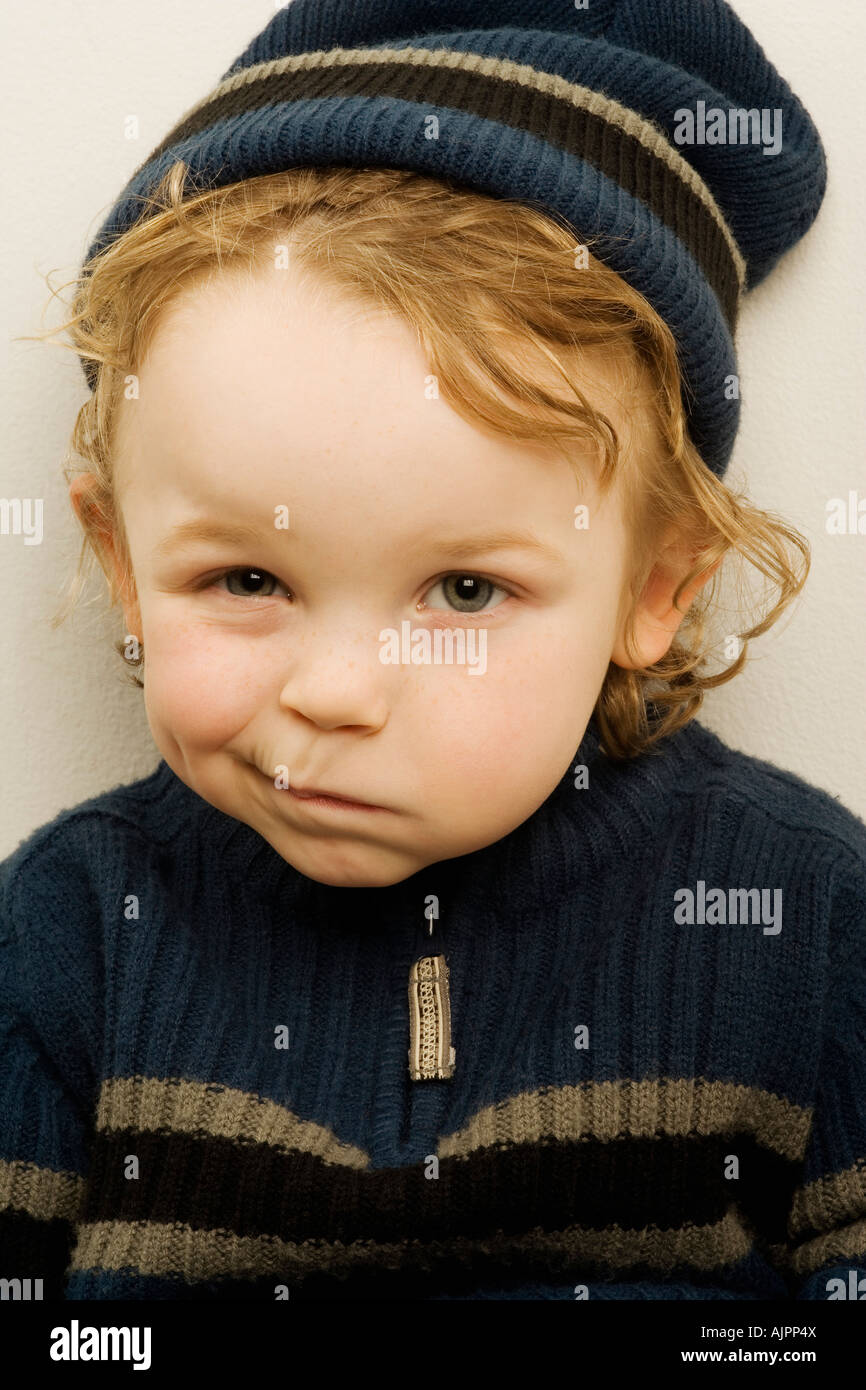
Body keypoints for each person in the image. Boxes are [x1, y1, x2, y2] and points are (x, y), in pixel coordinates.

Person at [1, 0, 864, 1301]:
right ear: (123, 560)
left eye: (463, 588)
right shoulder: (70, 933)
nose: (334, 692)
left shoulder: (805, 926)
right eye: (246, 578)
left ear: (655, 585)